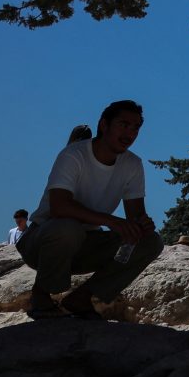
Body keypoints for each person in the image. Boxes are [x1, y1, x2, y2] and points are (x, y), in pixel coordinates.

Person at [17, 100, 164, 319]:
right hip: (43, 243)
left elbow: (135, 216)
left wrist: (141, 224)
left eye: (135, 128)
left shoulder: (132, 164)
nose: (130, 133)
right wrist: (112, 221)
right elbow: (59, 206)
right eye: (124, 124)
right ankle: (41, 295)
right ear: (104, 125)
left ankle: (83, 297)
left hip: (85, 246)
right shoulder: (73, 155)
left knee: (150, 241)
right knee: (68, 227)